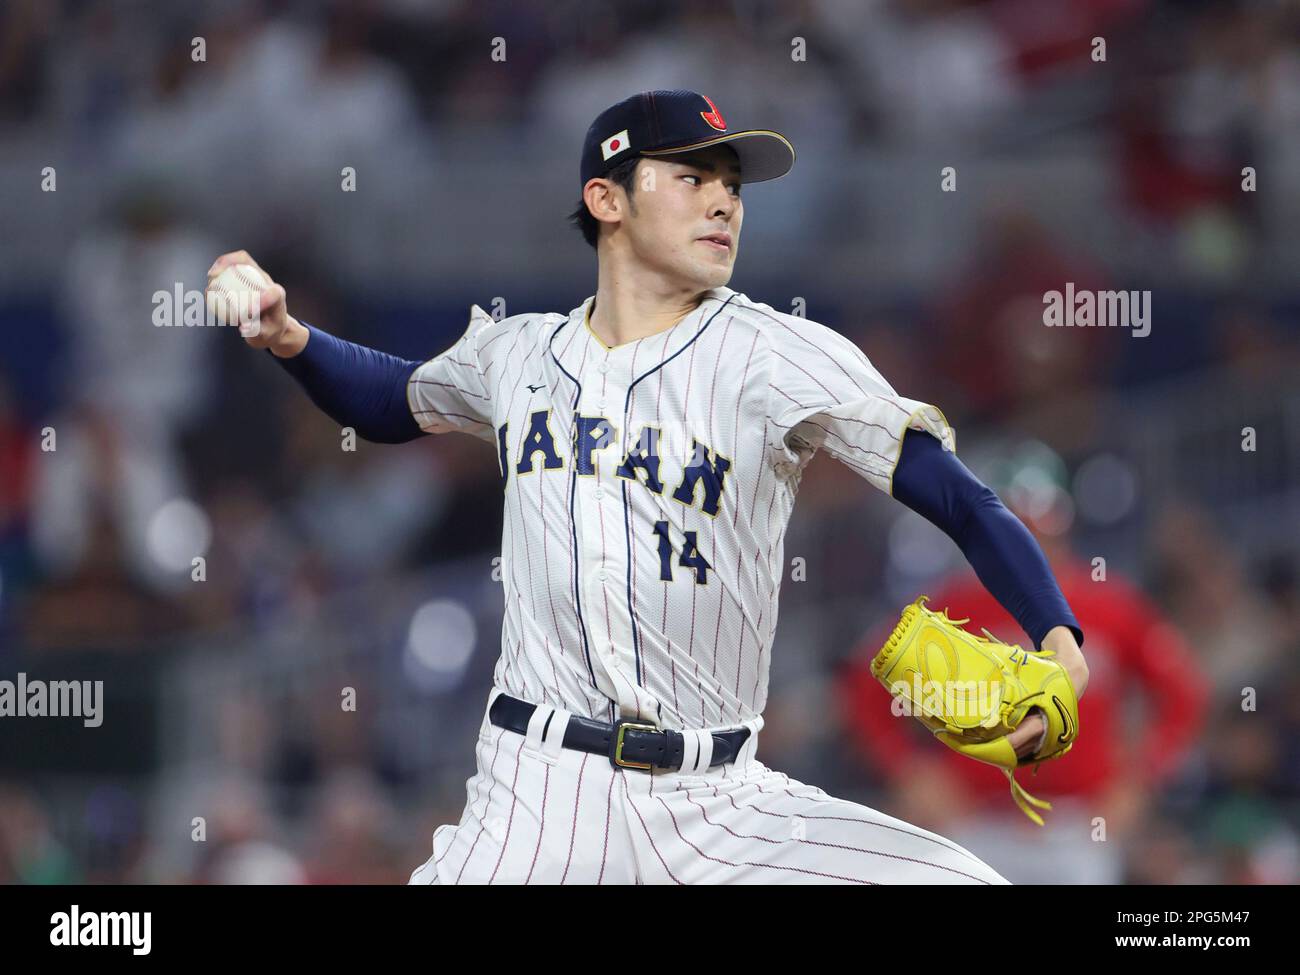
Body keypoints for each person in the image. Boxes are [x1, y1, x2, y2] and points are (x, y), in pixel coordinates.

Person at [207, 90, 1088, 884]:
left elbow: (961, 498)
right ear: (607, 199)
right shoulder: (519, 353)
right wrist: (289, 336)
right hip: (537, 792)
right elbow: (395, 399)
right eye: (692, 175)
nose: (723, 201)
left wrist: (1057, 633)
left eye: (733, 186)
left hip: (726, 803)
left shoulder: (776, 355)